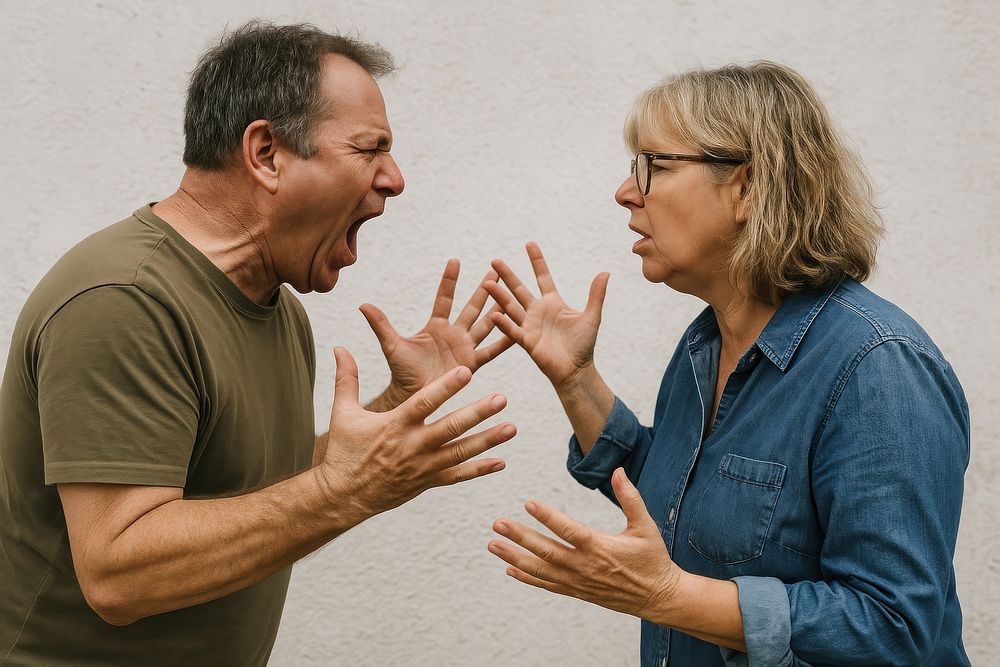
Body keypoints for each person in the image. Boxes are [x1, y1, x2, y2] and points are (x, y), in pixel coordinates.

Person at [0, 21, 516, 665]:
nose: (395, 179)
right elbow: (118, 572)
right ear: (266, 152)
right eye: (369, 149)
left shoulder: (277, 308)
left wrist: (393, 411)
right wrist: (350, 490)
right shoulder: (123, 301)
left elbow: (252, 493)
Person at [484, 61, 969, 666]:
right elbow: (685, 505)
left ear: (746, 187)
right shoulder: (704, 346)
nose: (625, 191)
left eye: (653, 166)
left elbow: (894, 627)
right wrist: (576, 379)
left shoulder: (880, 368)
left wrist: (668, 596)